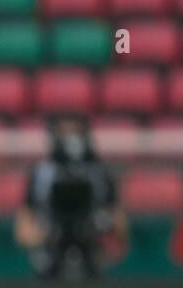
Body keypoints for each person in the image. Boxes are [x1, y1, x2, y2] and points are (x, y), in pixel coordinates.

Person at [18, 117, 122, 279]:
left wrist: (102, 230)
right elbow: (23, 227)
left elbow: (117, 220)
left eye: (75, 132)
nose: (71, 138)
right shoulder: (41, 174)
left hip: (91, 249)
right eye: (64, 132)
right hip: (50, 248)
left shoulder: (100, 173)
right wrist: (44, 235)